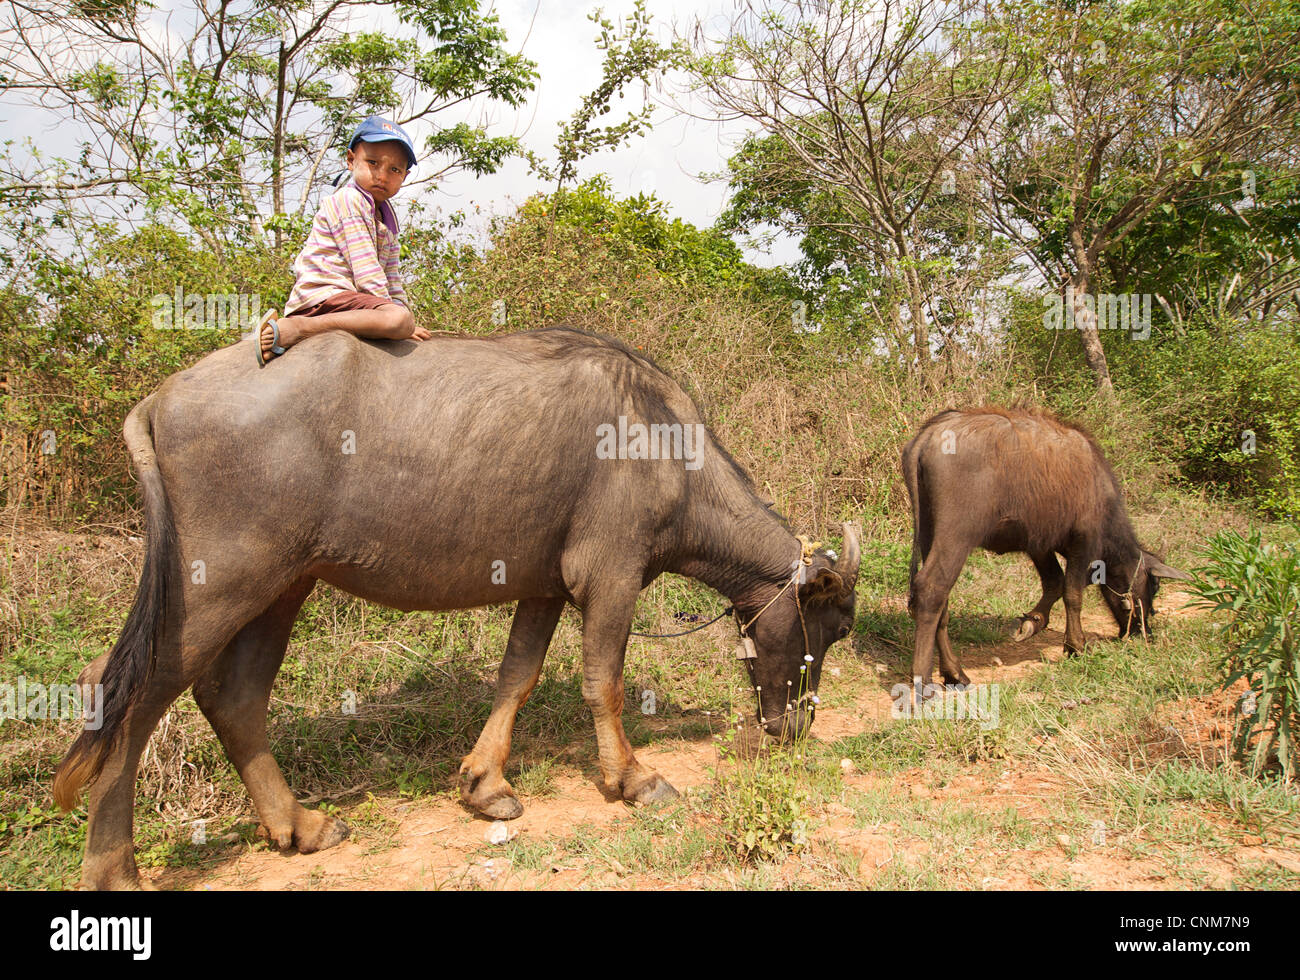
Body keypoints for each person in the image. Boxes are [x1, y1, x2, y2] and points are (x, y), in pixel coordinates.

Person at [257, 115, 432, 364]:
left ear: (404, 176)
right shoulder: (350, 201)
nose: (382, 176)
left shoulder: (387, 219)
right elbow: (367, 273)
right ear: (351, 160)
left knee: (400, 319)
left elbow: (392, 278)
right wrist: (397, 320)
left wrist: (403, 313)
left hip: (351, 301)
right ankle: (298, 327)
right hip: (325, 297)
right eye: (373, 163)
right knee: (398, 320)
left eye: (395, 169)